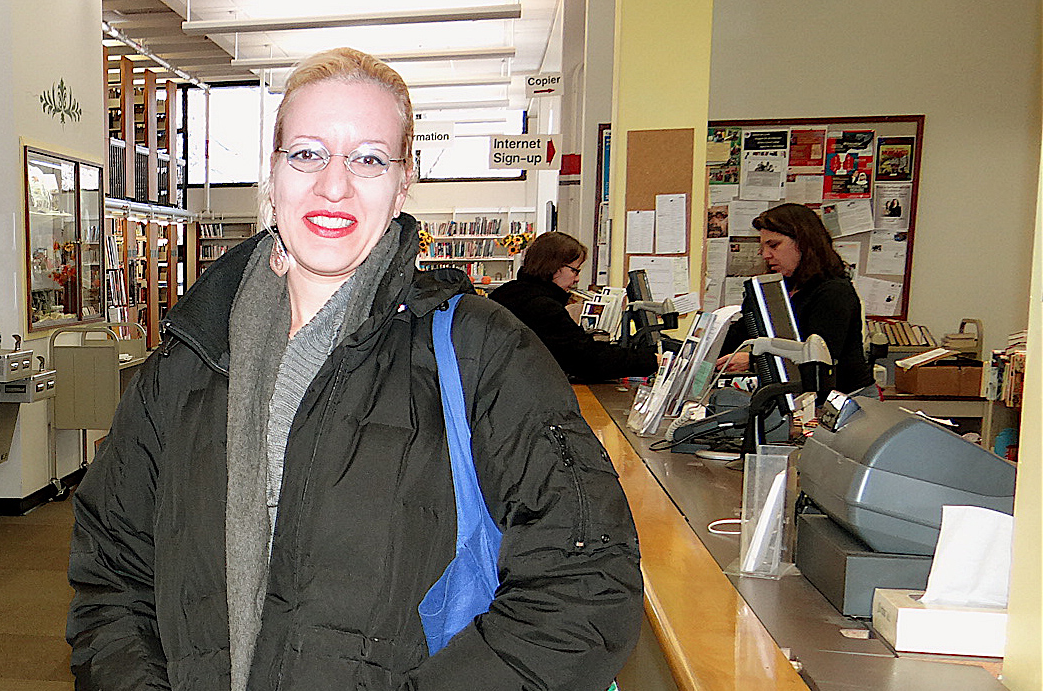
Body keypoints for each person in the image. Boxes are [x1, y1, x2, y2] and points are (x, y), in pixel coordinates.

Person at [66, 48, 642, 691]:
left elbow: (587, 579)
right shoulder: (187, 358)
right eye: (307, 153)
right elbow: (112, 574)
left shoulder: (482, 352)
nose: (333, 185)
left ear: (403, 183)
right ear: (273, 174)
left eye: (368, 158)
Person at [717, 202, 876, 396]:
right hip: (803, 396)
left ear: (804, 243)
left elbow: (818, 356)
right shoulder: (778, 289)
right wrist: (699, 347)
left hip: (844, 398)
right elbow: (742, 333)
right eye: (763, 248)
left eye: (774, 245)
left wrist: (752, 360)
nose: (766, 255)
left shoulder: (834, 291)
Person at [489, 231, 659, 383]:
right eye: (575, 271)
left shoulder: (508, 292)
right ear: (554, 267)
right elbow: (586, 359)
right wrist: (651, 361)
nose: (577, 279)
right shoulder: (542, 306)